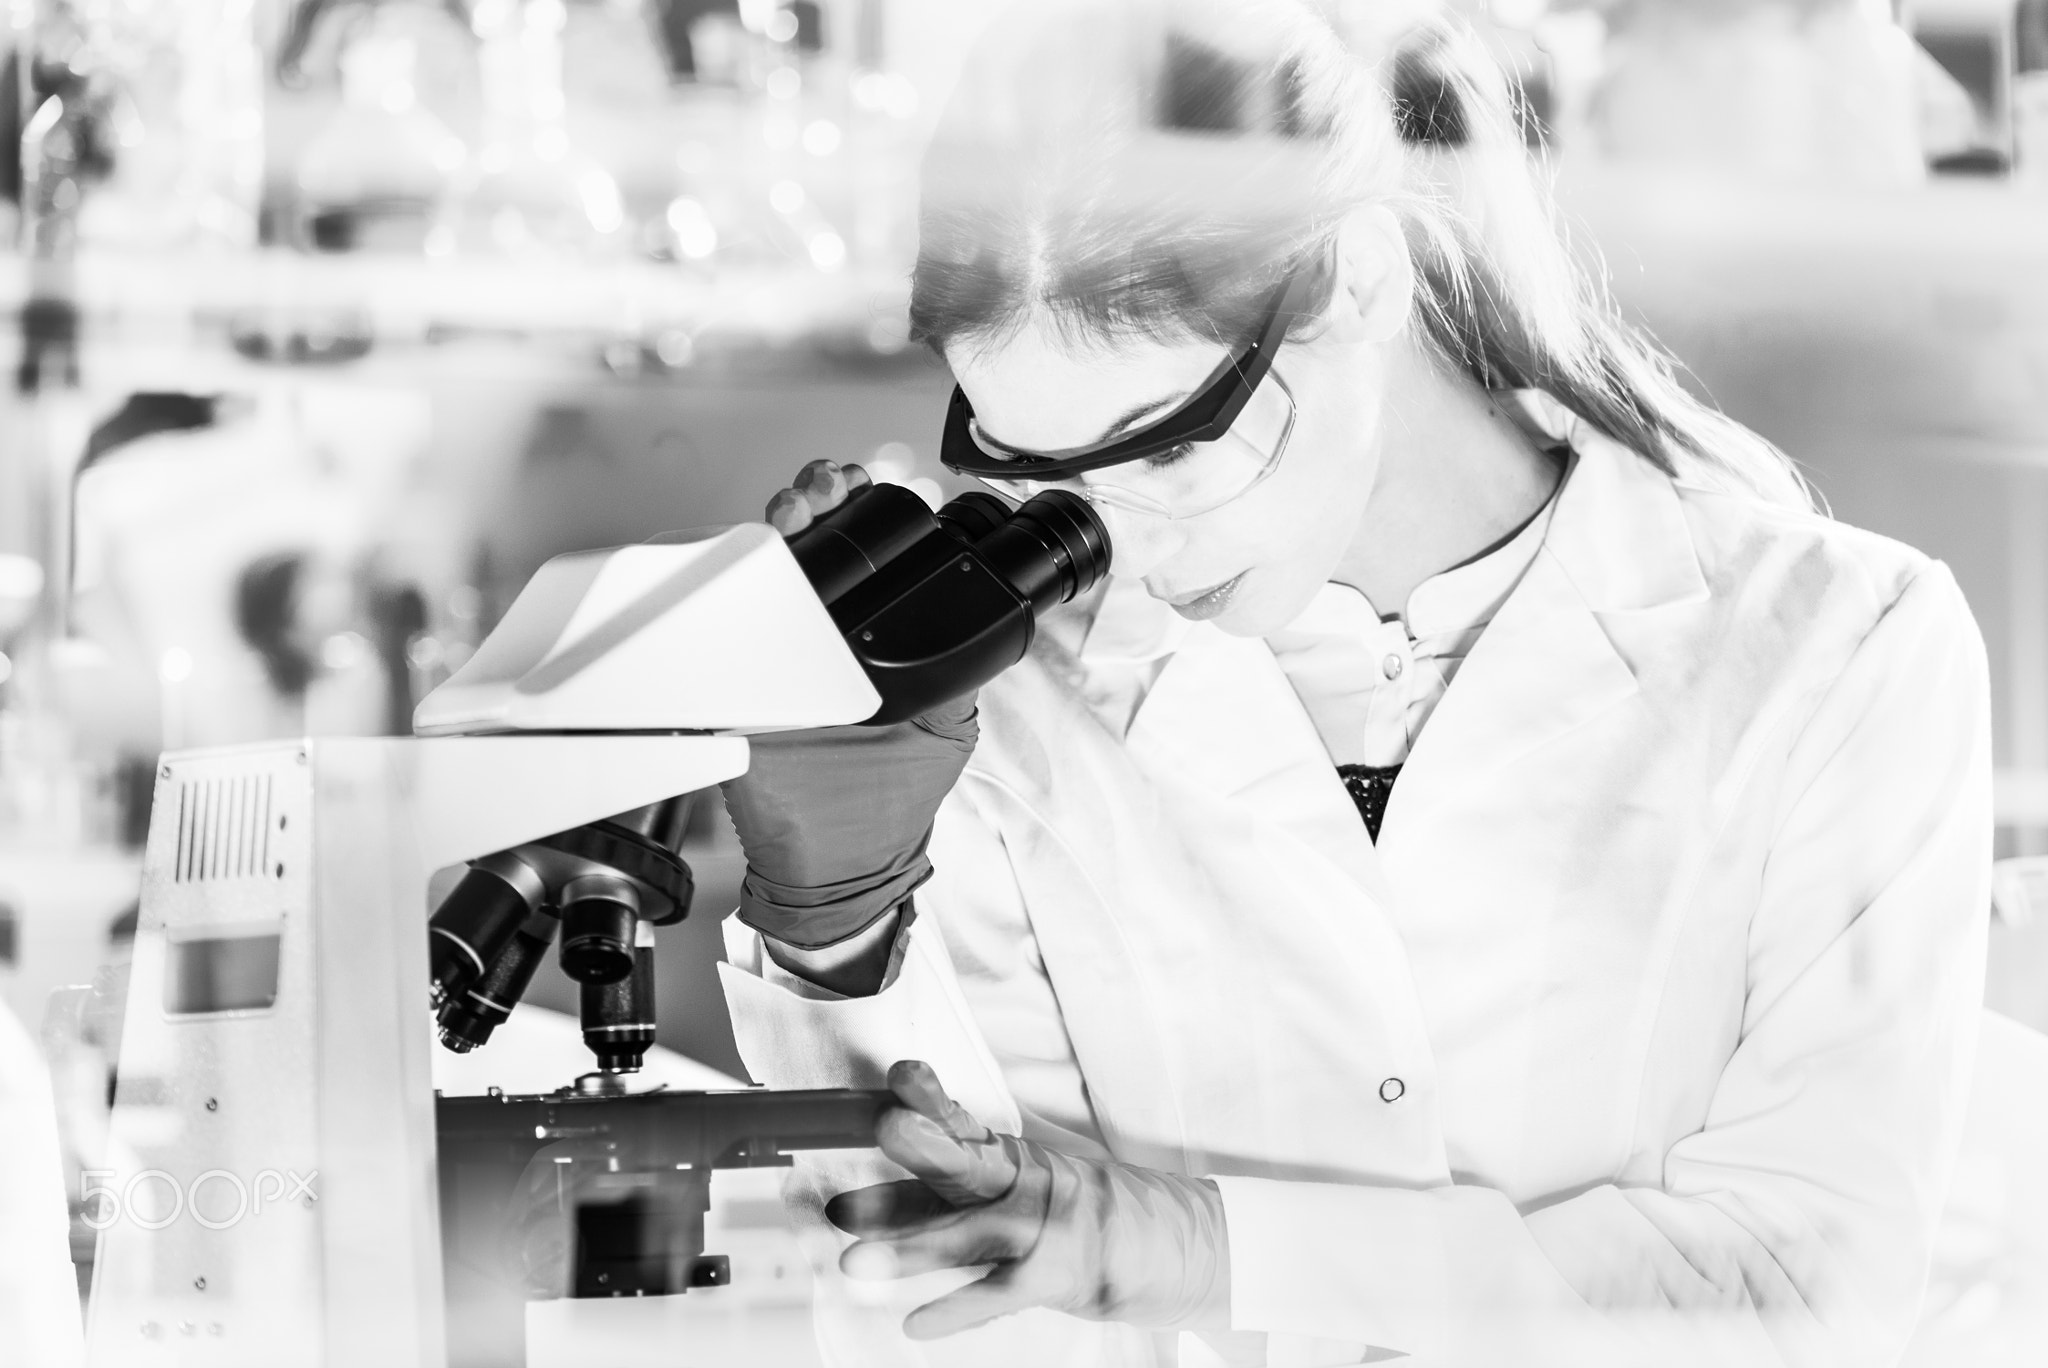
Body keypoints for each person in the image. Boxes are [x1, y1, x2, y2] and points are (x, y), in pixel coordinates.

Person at [715, 3, 1991, 1365]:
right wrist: (837, 944)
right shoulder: (1007, 705)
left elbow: (1796, 1290)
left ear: (1357, 285)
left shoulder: (1841, 644)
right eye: (1049, 478)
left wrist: (1209, 1254)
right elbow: (955, 1302)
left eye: (1164, 451)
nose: (1122, 551)